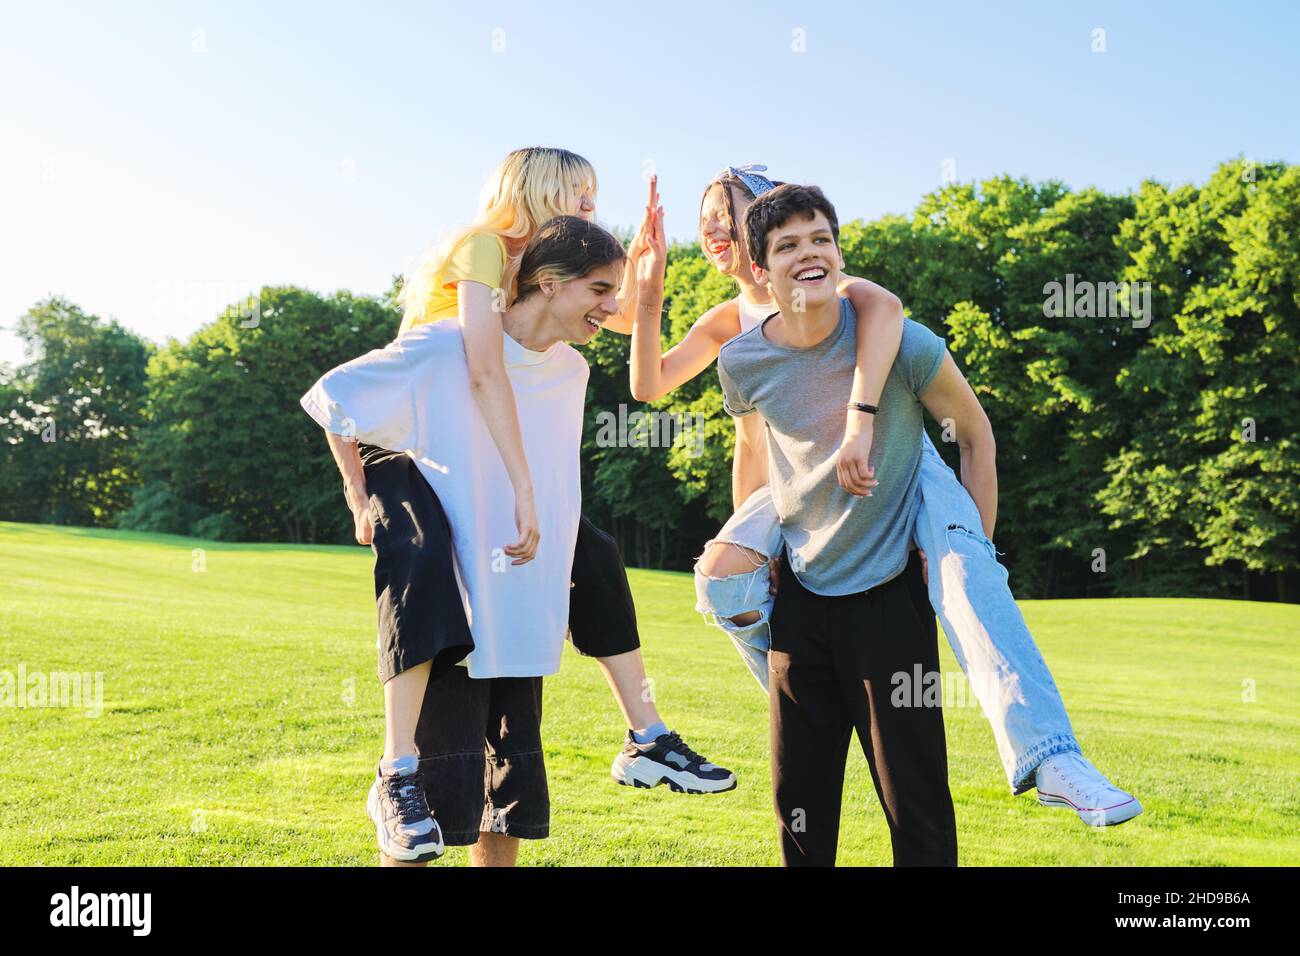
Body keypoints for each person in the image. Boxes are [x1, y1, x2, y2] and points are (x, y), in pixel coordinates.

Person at [631, 166, 1141, 827]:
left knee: (963, 569)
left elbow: (891, 313)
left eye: (728, 214)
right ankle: (820, 700)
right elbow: (682, 405)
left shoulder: (836, 287)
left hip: (897, 453)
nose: (715, 230)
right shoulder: (731, 330)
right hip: (805, 482)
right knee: (721, 579)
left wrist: (861, 420)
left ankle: (1049, 754)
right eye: (707, 221)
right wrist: (648, 294)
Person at [325, 149, 734, 862]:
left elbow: (605, 320)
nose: (588, 211)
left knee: (590, 550)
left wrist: (646, 280)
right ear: (540, 191)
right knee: (423, 560)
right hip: (417, 442)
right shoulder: (486, 249)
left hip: (482, 447)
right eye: (580, 197)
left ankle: (648, 735)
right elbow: (485, 370)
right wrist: (368, 495)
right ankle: (396, 771)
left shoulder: (547, 293)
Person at [718, 184, 963, 865]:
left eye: (821, 238)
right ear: (759, 269)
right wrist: (754, 542)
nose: (809, 253)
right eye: (788, 244)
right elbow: (754, 453)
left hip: (892, 600)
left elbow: (976, 437)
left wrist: (961, 556)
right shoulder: (741, 361)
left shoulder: (898, 343)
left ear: (839, 252)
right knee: (798, 799)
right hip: (800, 597)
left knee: (915, 800)